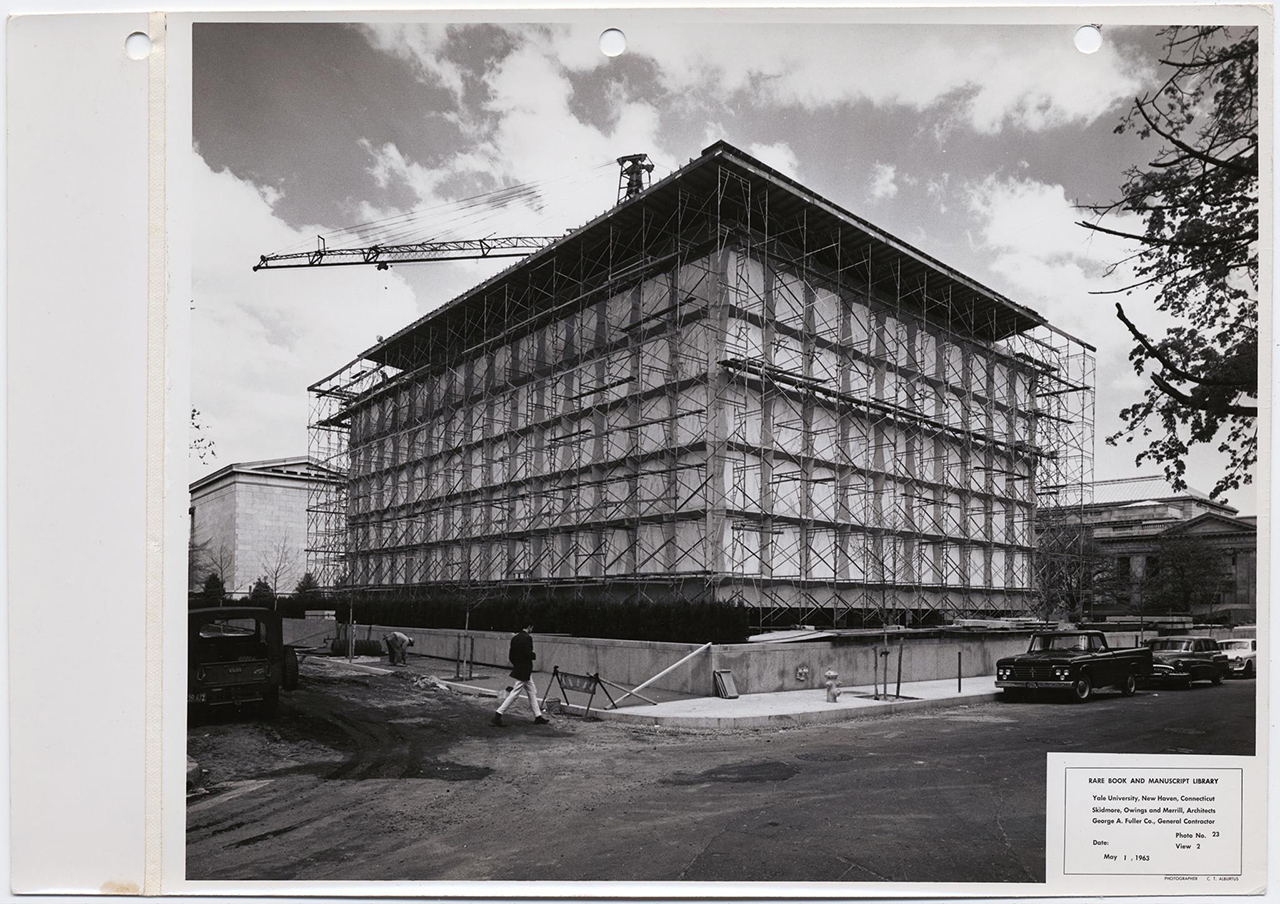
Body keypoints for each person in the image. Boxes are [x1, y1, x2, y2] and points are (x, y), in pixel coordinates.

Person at [492, 623, 550, 726]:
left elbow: (511, 656)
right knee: (515, 693)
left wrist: (517, 664)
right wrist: (534, 655)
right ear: (529, 626)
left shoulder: (515, 638)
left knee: (532, 692)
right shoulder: (528, 638)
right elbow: (529, 654)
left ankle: (538, 716)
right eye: (532, 627)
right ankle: (498, 714)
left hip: (520, 668)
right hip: (525, 669)